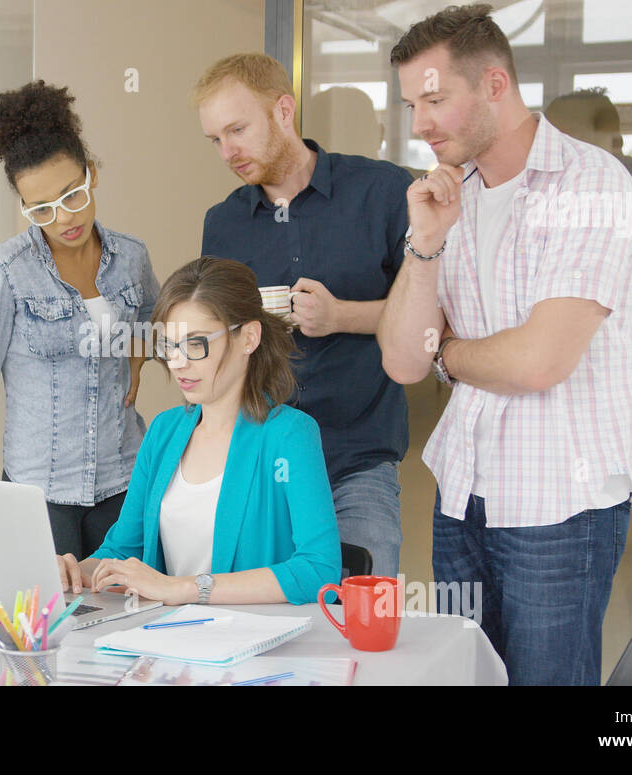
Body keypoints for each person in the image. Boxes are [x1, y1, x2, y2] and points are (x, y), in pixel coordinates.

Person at [378, 4, 632, 685]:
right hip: (462, 495)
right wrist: (426, 243)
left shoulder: (590, 186)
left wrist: (451, 353)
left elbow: (538, 361)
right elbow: (404, 358)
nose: (420, 125)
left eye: (434, 99)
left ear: (495, 85)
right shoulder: (447, 197)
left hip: (560, 506)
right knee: (464, 677)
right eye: (411, 104)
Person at [194, 53, 414, 578]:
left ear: (283, 111)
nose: (228, 152)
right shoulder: (222, 223)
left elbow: (432, 318)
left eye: (238, 130)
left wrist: (341, 315)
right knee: (263, 630)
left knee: (363, 628)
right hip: (260, 462)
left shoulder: (382, 193)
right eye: (215, 140)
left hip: (357, 462)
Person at [0, 81, 160, 559]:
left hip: (124, 481)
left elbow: (157, 324)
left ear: (90, 174)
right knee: (45, 625)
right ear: (22, 204)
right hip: (39, 492)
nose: (63, 218)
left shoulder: (131, 256)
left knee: (123, 619)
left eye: (72, 195)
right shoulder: (1, 275)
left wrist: (139, 353)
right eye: (40, 208)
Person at [55, 257, 341, 607]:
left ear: (249, 337)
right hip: (168, 641)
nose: (178, 363)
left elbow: (318, 570)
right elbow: (121, 549)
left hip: (251, 647)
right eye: (169, 346)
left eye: (195, 344)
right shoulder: (164, 430)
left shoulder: (290, 436)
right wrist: (77, 571)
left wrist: (182, 588)